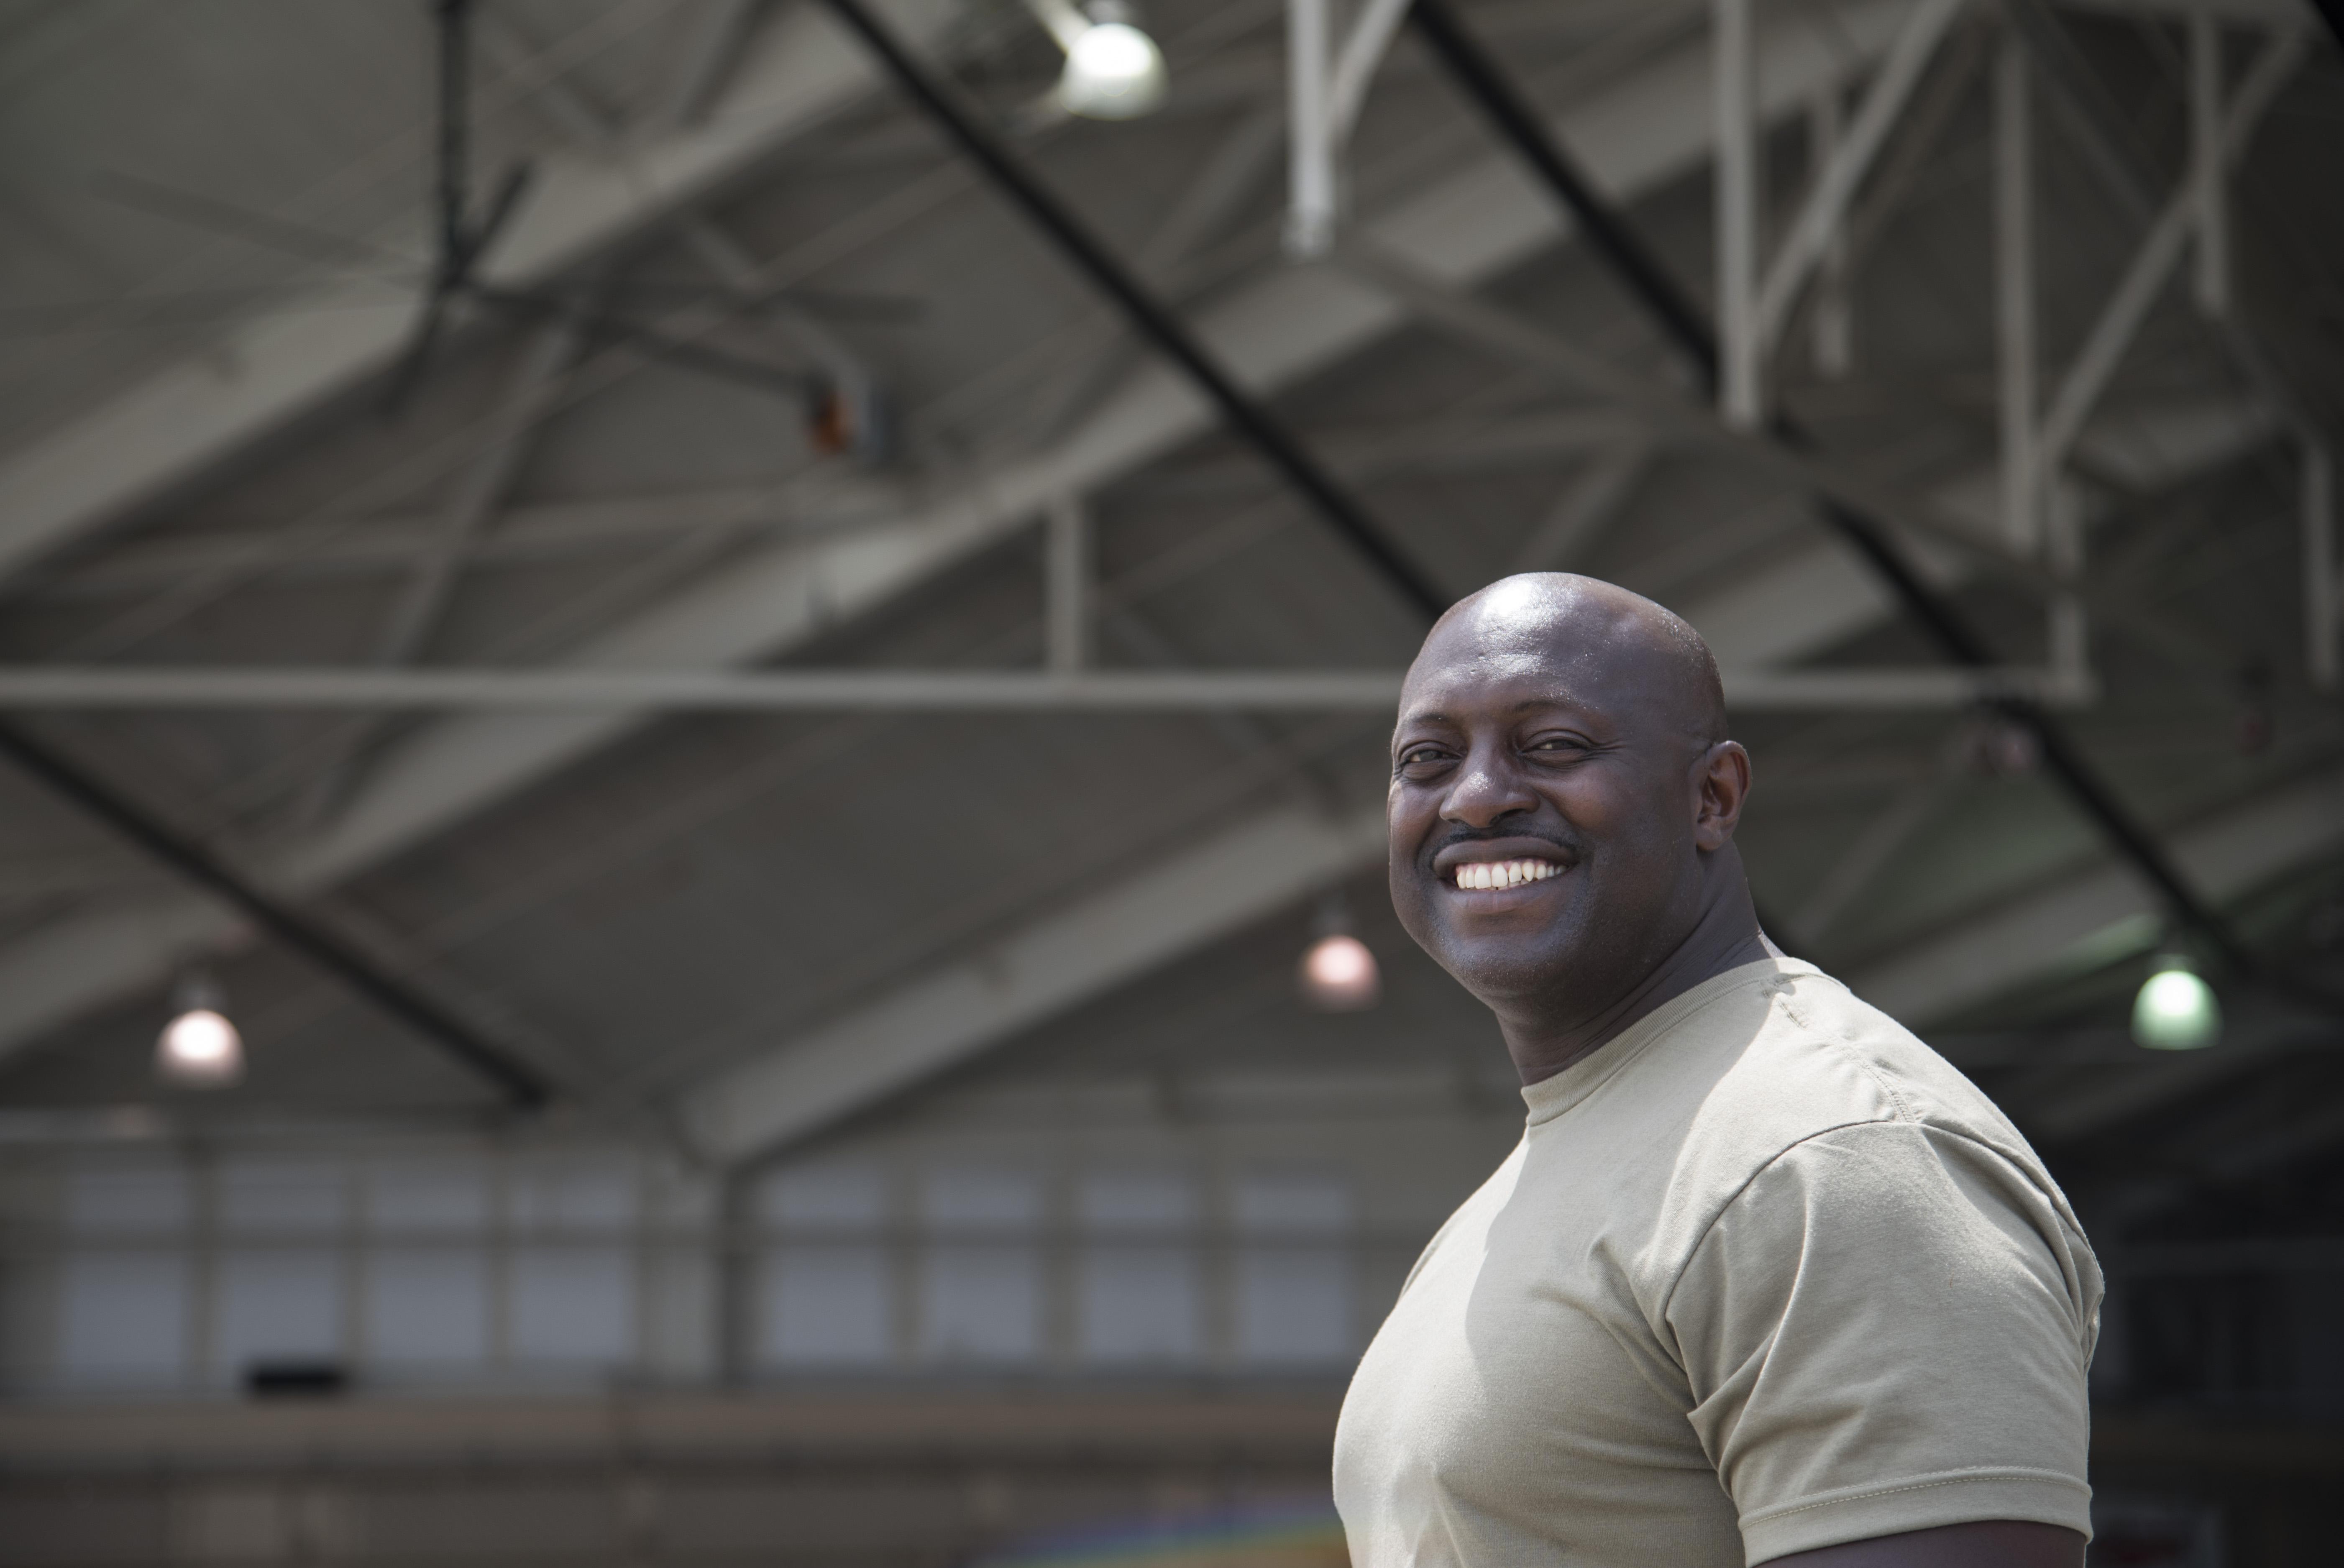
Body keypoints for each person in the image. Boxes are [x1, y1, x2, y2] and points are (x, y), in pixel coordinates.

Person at [1333, 575, 2101, 1568]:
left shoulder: (1825, 1152)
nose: (1477, 796)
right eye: (1427, 759)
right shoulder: (1544, 1177)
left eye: (1553, 746)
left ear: (1714, 797)